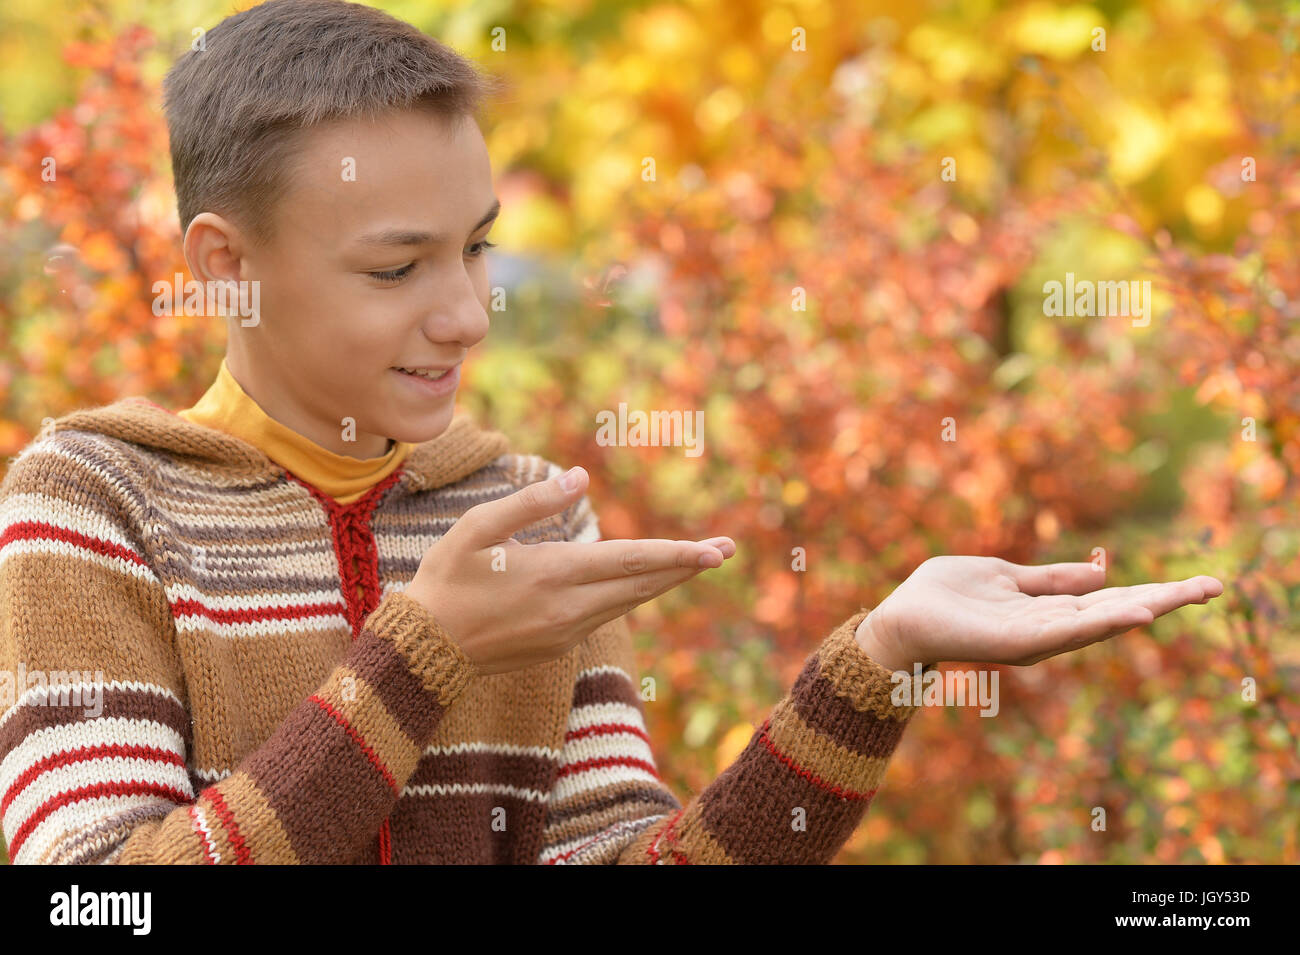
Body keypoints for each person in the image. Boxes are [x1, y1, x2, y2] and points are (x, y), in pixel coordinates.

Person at [0, 0, 1222, 865]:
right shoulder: (95, 502)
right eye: (395, 266)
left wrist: (874, 666)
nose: (468, 312)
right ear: (224, 265)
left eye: (476, 246)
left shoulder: (523, 512)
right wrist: (418, 656)